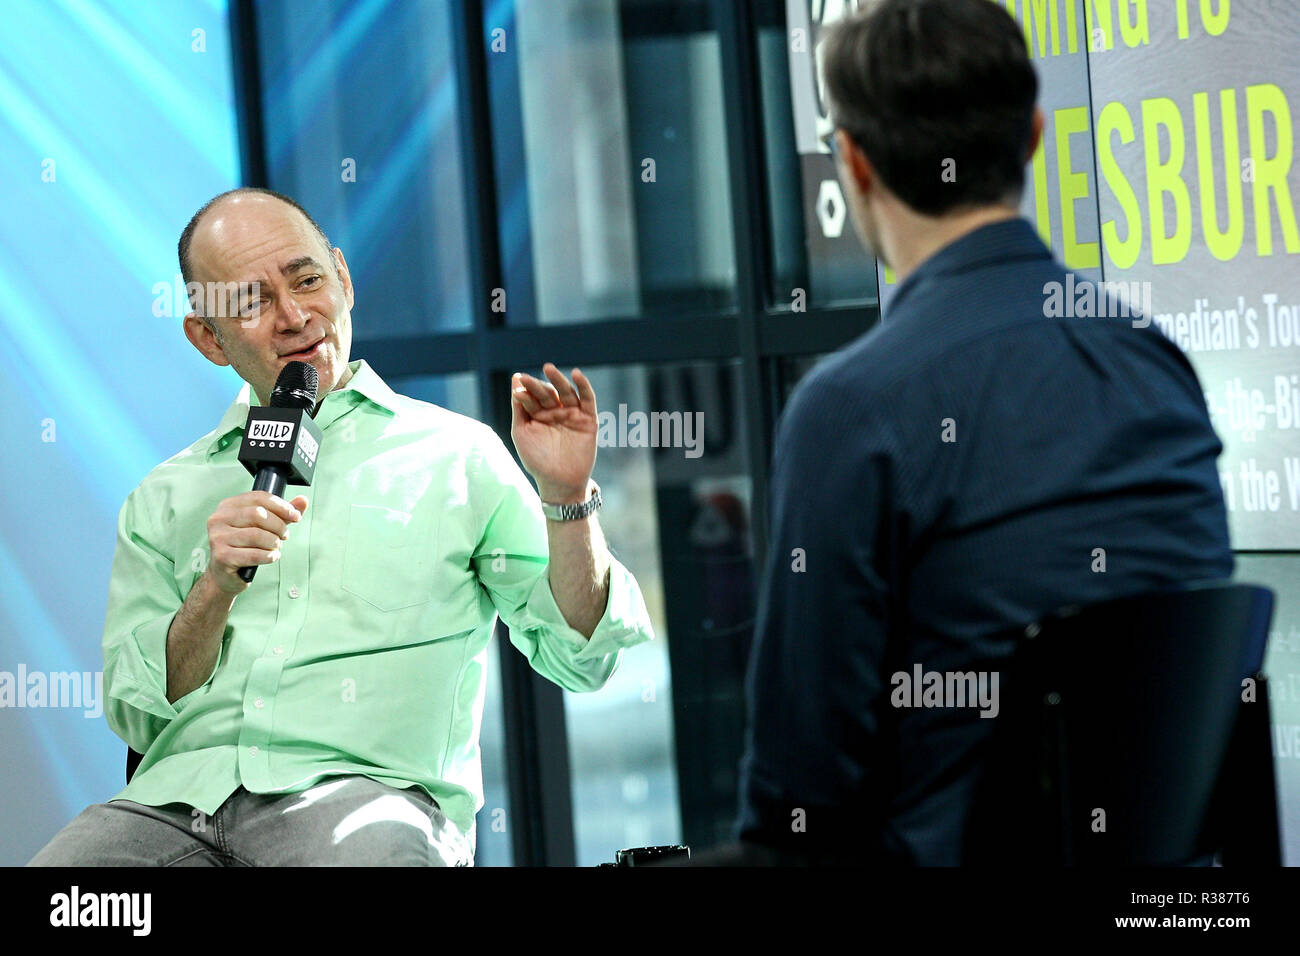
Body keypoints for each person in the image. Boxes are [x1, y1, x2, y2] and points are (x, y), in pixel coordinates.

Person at [732, 0, 1234, 865]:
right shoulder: (1156, 368)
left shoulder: (851, 409)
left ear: (852, 161)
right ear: (1035, 134)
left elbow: (799, 803)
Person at [28, 187, 654, 866]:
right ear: (207, 337)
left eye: (307, 280)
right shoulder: (163, 496)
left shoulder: (455, 456)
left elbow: (582, 657)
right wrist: (214, 587)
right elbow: (138, 716)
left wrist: (564, 495)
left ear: (344, 279)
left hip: (366, 804)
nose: (295, 316)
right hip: (174, 811)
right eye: (251, 301)